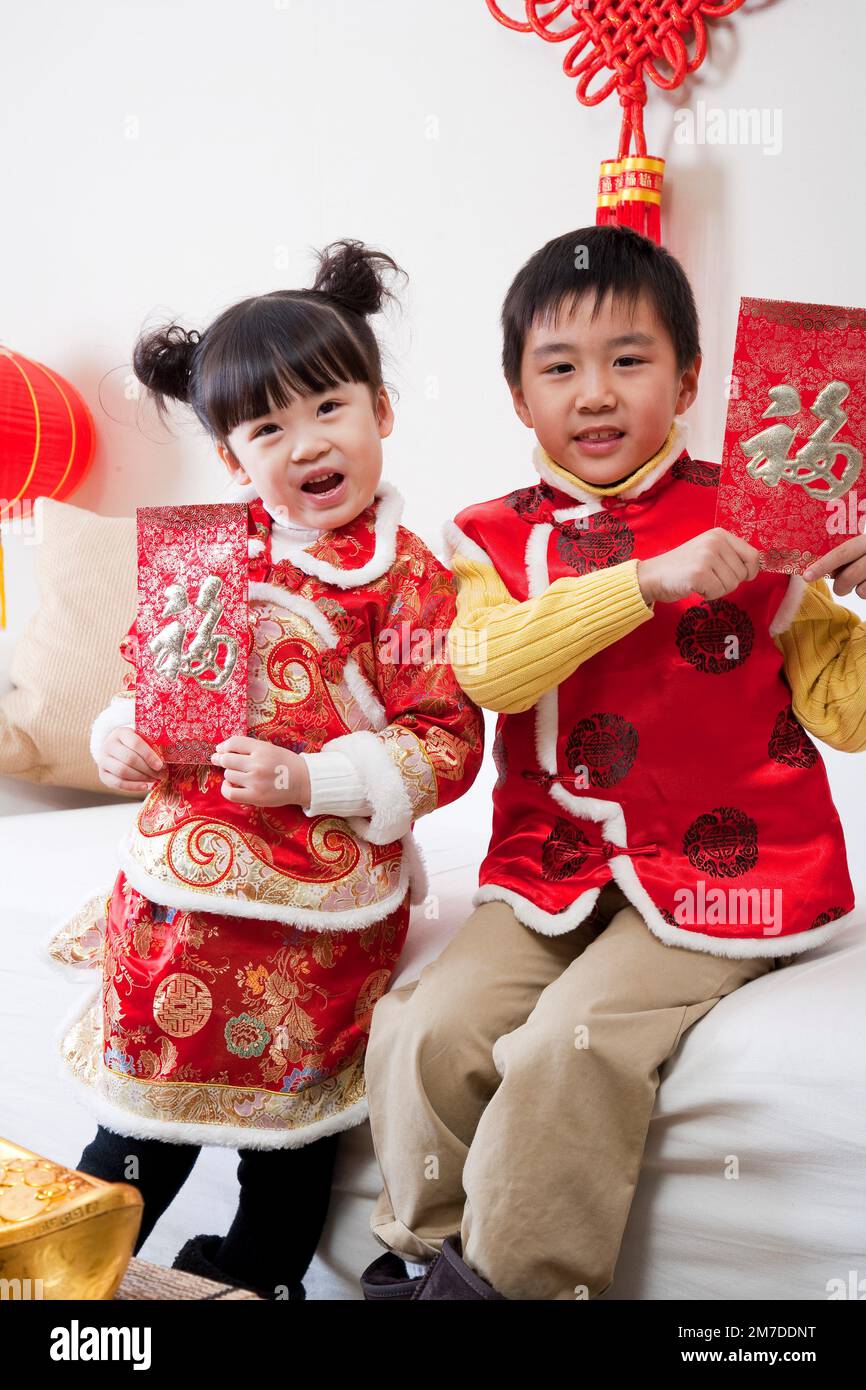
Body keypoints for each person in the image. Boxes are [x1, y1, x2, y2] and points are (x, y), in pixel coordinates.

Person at [360, 224, 866, 1301]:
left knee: (562, 1049)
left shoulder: (763, 516)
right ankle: (420, 1258)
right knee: (426, 1028)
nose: (593, 392)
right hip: (550, 862)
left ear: (686, 378)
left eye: (627, 360)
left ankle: (506, 1289)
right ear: (515, 395)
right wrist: (648, 579)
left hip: (730, 869)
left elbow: (846, 711)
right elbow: (490, 669)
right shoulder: (486, 537)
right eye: (558, 367)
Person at [48, 239, 484, 1300]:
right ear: (235, 459)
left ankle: (251, 1278)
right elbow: (143, 679)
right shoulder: (206, 553)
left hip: (318, 907)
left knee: (290, 1130)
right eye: (268, 427)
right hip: (181, 892)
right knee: (139, 1120)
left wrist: (312, 781)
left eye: (328, 407)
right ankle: (66, 1279)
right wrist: (123, 734)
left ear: (381, 410)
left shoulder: (414, 581)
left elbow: (444, 738)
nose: (307, 443)